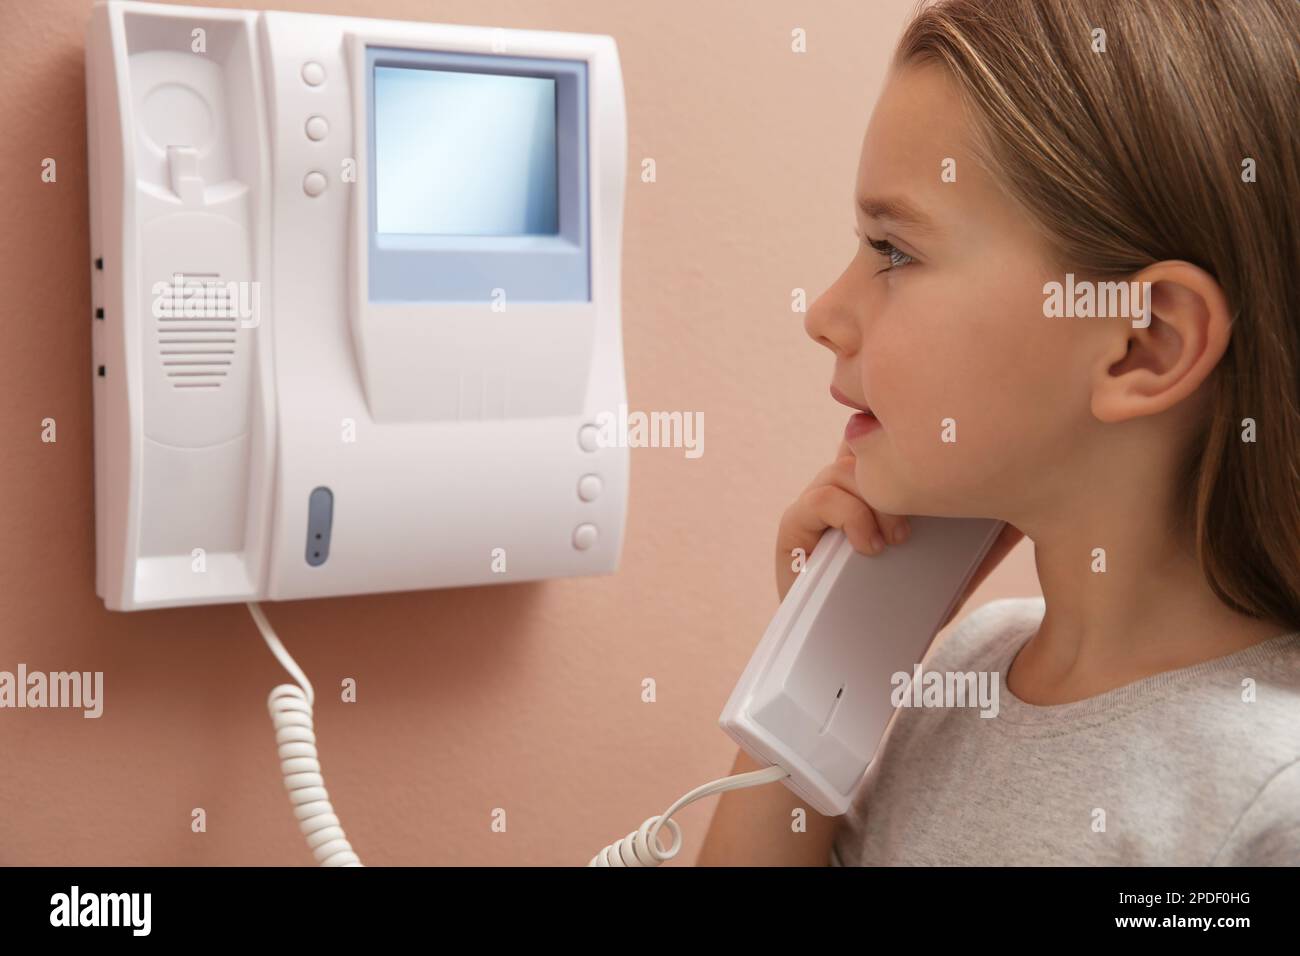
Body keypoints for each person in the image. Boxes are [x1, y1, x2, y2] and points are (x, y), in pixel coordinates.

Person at [698, 0, 1300, 866]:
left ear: (1143, 344)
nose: (825, 314)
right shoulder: (969, 667)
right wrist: (827, 674)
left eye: (894, 250)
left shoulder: (1266, 799)